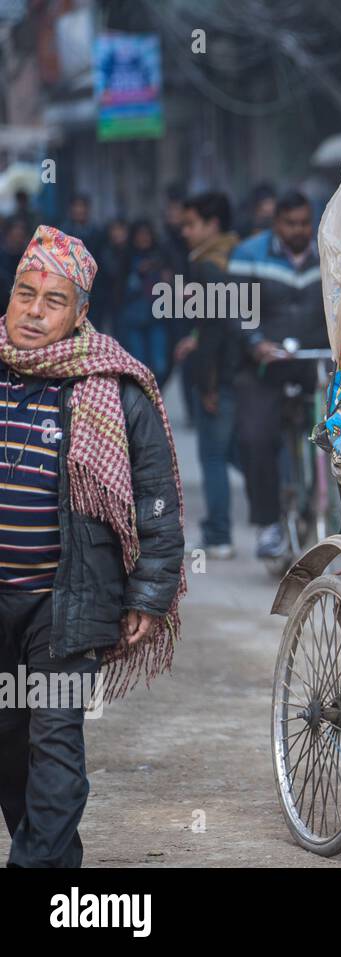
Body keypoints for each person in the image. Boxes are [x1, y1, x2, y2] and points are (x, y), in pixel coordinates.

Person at [0, 226, 185, 866]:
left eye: (53, 302)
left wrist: (151, 593)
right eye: (25, 294)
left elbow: (156, 500)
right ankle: (54, 859)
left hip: (67, 604)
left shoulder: (114, 385)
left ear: (80, 313)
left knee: (55, 745)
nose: (32, 311)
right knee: (8, 742)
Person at [226, 191, 327, 561]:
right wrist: (255, 342)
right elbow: (235, 309)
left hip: (314, 361)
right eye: (291, 224)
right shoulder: (248, 254)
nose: (299, 230)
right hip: (263, 365)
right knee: (255, 438)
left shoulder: (326, 250)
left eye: (304, 223)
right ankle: (268, 522)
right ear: (276, 224)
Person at [175, 191, 242, 560]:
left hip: (222, 373)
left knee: (214, 455)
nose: (185, 232)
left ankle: (218, 533)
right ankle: (278, 510)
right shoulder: (240, 254)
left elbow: (217, 328)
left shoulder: (208, 265)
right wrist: (195, 336)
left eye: (190, 224)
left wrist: (209, 385)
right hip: (244, 368)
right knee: (234, 449)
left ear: (211, 225)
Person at [115, 220, 174, 385]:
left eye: (146, 235)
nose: (144, 239)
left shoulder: (161, 256)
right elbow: (120, 290)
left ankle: (155, 393)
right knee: (139, 365)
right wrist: (137, 274)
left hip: (158, 317)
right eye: (140, 235)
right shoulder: (127, 258)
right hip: (134, 319)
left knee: (160, 365)